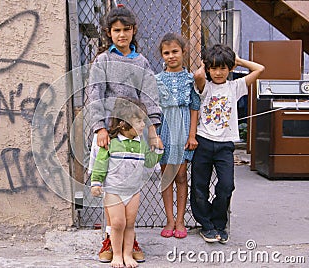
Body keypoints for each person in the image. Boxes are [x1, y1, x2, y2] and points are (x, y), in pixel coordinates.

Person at [85, 5, 162, 263]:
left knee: (130, 185)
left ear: (133, 31)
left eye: (126, 30)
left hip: (134, 133)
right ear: (109, 33)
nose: (122, 35)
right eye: (116, 30)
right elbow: (94, 94)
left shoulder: (141, 62)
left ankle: (130, 237)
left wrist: (152, 131)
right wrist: (100, 127)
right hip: (108, 132)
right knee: (110, 185)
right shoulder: (103, 61)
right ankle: (110, 237)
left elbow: (150, 96)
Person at [191, 44, 264, 243]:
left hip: (225, 145)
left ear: (230, 69)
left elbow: (259, 69)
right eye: (214, 68)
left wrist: (237, 61)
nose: (218, 72)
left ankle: (219, 223)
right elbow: (198, 75)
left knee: (226, 186)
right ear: (208, 68)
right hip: (203, 142)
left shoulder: (235, 86)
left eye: (223, 68)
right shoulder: (205, 86)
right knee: (199, 187)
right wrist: (206, 63)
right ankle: (206, 225)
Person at [90, 97, 163, 268]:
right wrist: (96, 183)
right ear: (123, 123)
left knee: (129, 224)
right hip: (114, 191)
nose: (143, 125)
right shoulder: (111, 144)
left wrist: (158, 149)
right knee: (117, 224)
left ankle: (127, 254)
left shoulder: (141, 144)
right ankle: (116, 255)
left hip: (133, 191)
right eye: (139, 121)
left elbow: (150, 162)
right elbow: (101, 164)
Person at [155, 32, 200, 239]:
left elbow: (194, 106)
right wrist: (155, 135)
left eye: (175, 51)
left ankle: (181, 220)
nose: (171, 56)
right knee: (167, 177)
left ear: (183, 52)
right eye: (166, 53)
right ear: (162, 56)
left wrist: (192, 135)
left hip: (182, 127)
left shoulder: (191, 79)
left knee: (181, 175)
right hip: (165, 128)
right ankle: (169, 219)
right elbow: (153, 109)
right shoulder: (157, 80)